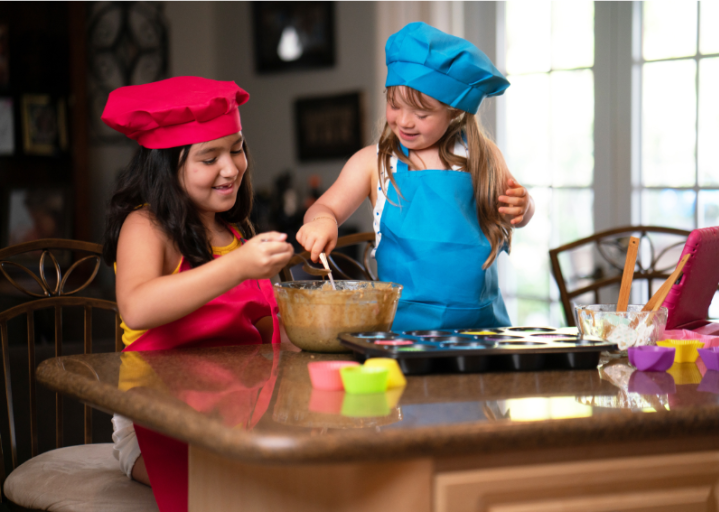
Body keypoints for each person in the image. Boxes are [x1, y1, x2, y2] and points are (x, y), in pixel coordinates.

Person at [101, 76, 294, 512]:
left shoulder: (237, 236)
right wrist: (237, 267)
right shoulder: (145, 227)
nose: (231, 168)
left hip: (236, 411)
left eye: (237, 148)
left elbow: (271, 335)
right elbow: (137, 305)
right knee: (221, 495)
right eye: (210, 158)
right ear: (167, 166)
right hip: (155, 415)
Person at [297, 22, 535, 331]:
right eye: (394, 105)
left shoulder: (483, 156)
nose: (405, 122)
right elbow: (323, 208)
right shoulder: (373, 162)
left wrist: (524, 206)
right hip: (401, 334)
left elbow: (517, 213)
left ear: (455, 112)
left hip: (483, 334)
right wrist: (321, 221)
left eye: (422, 114)